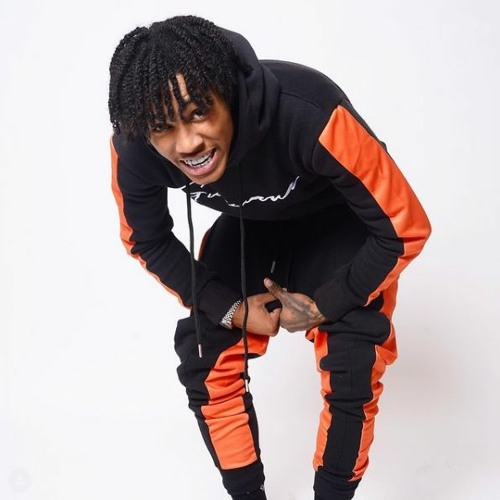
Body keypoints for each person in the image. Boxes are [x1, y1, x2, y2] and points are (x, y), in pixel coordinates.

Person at [108, 15, 431, 500]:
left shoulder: (311, 112)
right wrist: (231, 309)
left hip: (339, 222)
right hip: (250, 227)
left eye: (199, 113)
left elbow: (404, 228)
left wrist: (326, 304)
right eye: (163, 128)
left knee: (352, 361)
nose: (188, 143)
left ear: (227, 93)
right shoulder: (135, 145)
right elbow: (146, 240)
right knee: (205, 357)